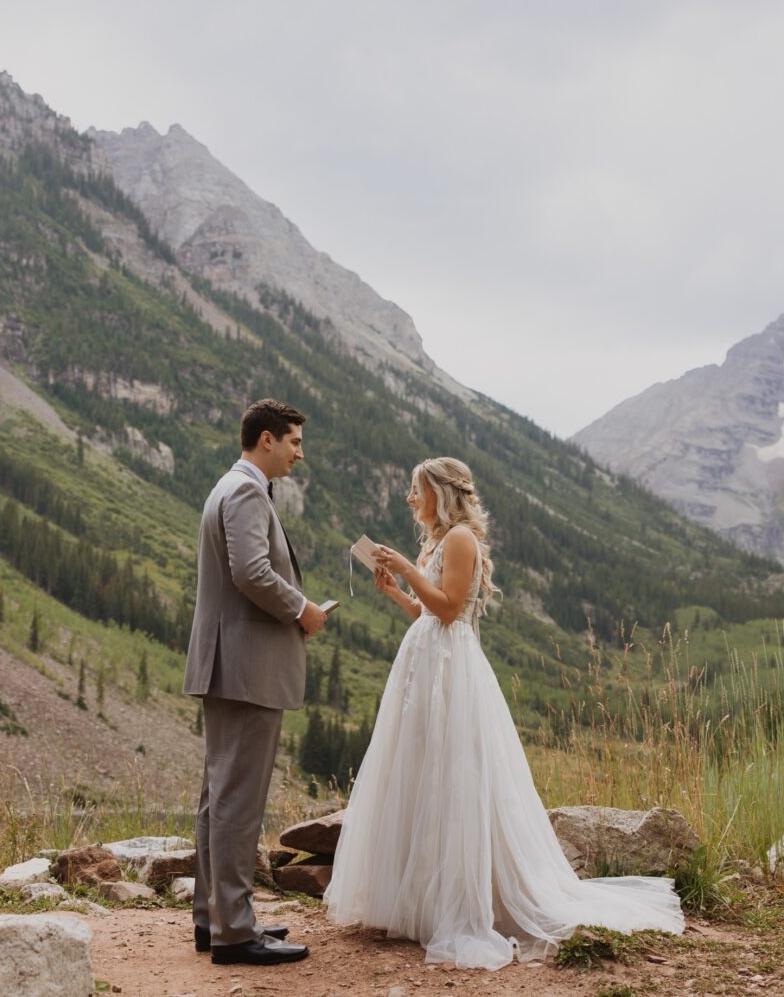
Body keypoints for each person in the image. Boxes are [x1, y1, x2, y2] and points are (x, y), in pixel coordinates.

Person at [325, 456, 685, 969]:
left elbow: (450, 609)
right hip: (426, 664)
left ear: (442, 493)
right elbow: (427, 611)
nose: (410, 498)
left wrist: (406, 568)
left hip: (452, 669)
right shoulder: (437, 541)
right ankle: (422, 896)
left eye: (417, 489)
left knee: (456, 773)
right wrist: (398, 593)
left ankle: (466, 899)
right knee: (423, 770)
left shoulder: (460, 539)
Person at [183, 398, 328, 966]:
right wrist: (302, 610)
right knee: (237, 804)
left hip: (229, 665)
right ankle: (236, 934)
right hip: (245, 668)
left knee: (219, 800)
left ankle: (215, 919)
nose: (299, 454)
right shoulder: (245, 491)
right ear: (267, 439)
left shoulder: (229, 486)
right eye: (294, 442)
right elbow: (251, 571)